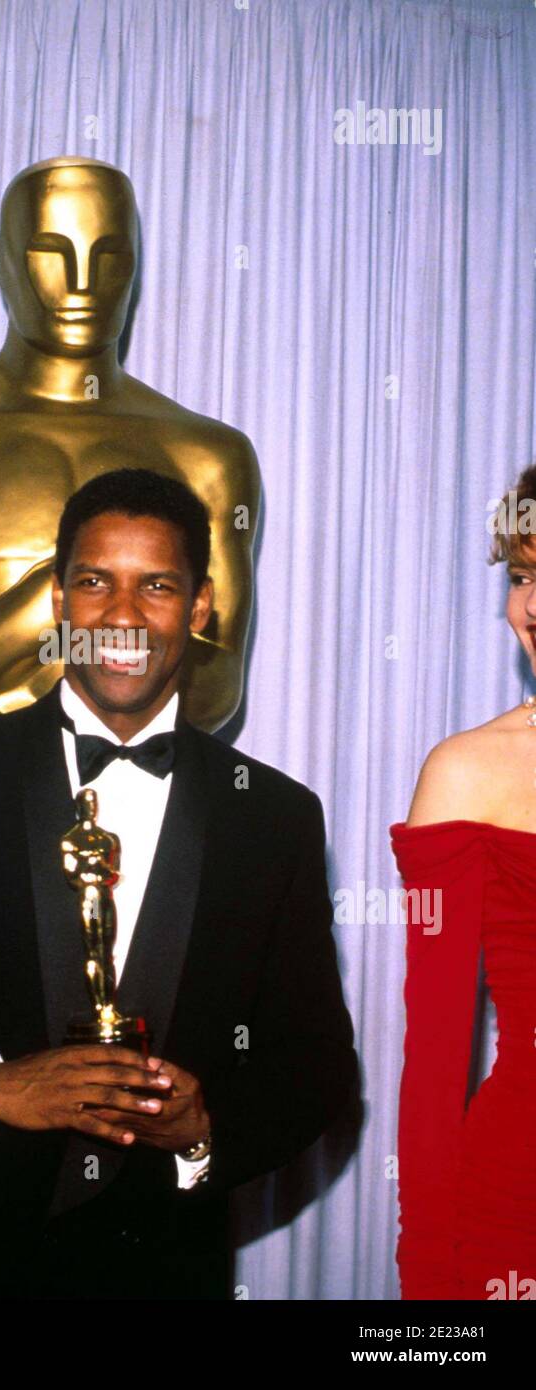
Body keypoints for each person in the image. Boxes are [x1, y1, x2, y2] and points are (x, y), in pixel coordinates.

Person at [0, 467, 357, 1300]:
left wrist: (205, 1130)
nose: (121, 615)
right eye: (93, 582)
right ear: (56, 601)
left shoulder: (274, 818)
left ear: (198, 608)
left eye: (155, 585)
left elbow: (317, 1064)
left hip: (169, 1281)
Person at [391, 463, 536, 1300]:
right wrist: (428, 1285)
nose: (531, 607)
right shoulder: (465, 772)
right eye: (521, 575)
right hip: (510, 1215)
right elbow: (435, 1061)